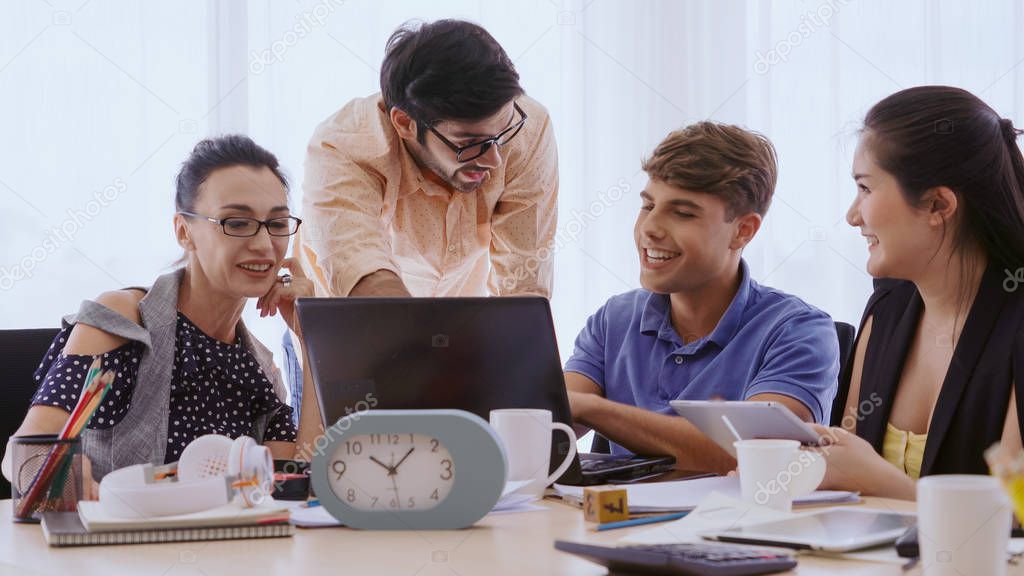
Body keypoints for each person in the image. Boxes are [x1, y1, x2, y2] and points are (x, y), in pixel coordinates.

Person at [1, 135, 323, 494]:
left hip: (221, 550)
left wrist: (311, 338)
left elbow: (297, 487)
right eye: (236, 222)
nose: (264, 245)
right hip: (112, 546)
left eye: (277, 224)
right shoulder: (126, 321)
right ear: (185, 232)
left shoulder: (259, 368)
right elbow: (26, 451)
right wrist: (71, 487)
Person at [565, 122, 840, 474]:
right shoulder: (612, 320)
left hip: (743, 527)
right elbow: (550, 424)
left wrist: (592, 408)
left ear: (743, 230)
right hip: (618, 526)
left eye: (683, 213)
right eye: (648, 206)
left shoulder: (799, 330)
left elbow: (754, 454)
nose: (651, 228)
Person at [811, 86, 1024, 500]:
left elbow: (1014, 520)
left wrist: (876, 478)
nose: (853, 215)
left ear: (938, 205)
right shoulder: (887, 309)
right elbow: (844, 460)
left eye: (866, 189)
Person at [295, 19, 558, 298]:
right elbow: (370, 286)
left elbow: (524, 284)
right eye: (469, 143)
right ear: (406, 123)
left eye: (502, 132)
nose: (494, 159)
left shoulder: (525, 129)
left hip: (457, 328)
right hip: (346, 330)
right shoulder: (342, 145)